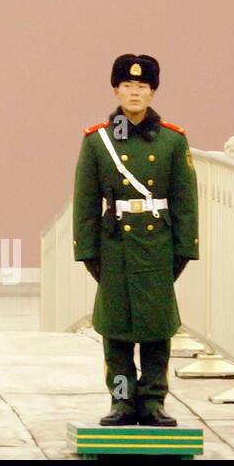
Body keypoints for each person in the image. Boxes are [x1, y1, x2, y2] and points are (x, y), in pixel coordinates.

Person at [72, 54, 199, 427]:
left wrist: (184, 248)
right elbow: (85, 201)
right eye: (127, 86)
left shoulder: (173, 140)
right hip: (116, 247)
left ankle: (154, 401)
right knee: (118, 331)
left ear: (153, 91)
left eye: (142, 86)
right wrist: (88, 251)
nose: (134, 92)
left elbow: (184, 199)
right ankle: (123, 402)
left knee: (158, 330)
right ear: (116, 89)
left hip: (158, 245)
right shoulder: (98, 141)